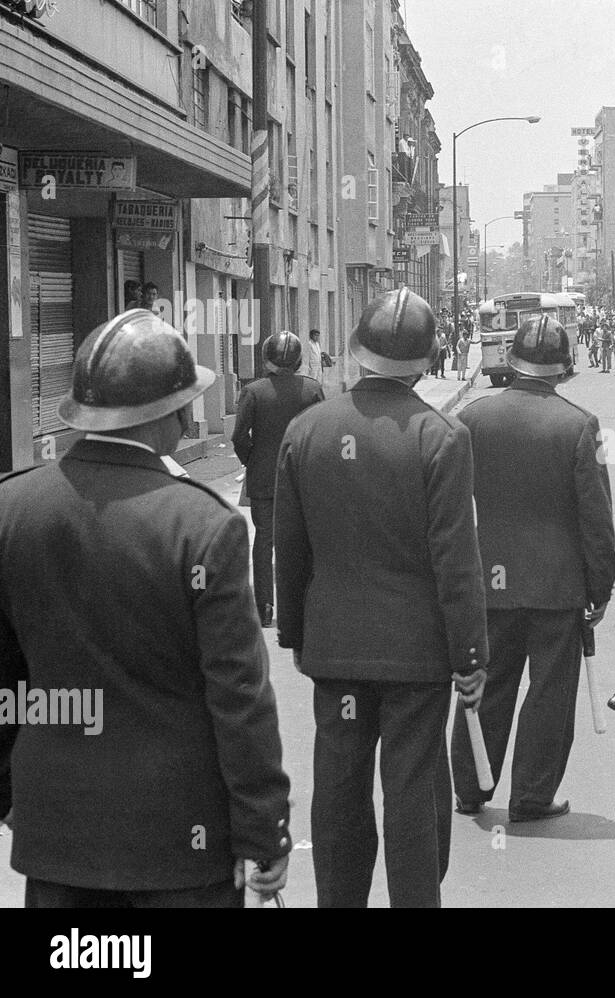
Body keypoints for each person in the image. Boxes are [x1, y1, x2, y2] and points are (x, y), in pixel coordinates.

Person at [0, 308, 291, 908]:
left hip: (58, 834)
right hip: (182, 842)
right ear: (173, 415)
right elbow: (238, 698)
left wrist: (9, 793)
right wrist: (264, 829)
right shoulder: (203, 526)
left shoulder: (13, 509)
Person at [275, 287, 488, 907]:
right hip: (417, 654)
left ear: (353, 351)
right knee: (414, 790)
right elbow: (457, 560)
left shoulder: (305, 430)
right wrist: (470, 654)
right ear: (427, 361)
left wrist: (295, 632)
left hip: (336, 646)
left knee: (338, 787)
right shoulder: (441, 436)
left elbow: (290, 549)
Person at [450, 315, 615, 821]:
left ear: (514, 362)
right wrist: (600, 585)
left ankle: (471, 786)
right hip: (556, 583)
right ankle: (532, 794)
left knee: (488, 681)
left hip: (489, 578)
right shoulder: (578, 424)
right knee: (550, 692)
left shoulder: (472, 420)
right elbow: (596, 516)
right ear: (563, 369)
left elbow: (450, 509)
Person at [232, 331, 325, 626]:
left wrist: (252, 460)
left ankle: (265, 607)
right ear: (298, 360)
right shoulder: (312, 389)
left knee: (264, 541)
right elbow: (319, 434)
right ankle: (300, 604)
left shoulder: (253, 391)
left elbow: (238, 437)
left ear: (266, 358)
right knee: (304, 541)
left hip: (263, 478)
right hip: (302, 477)